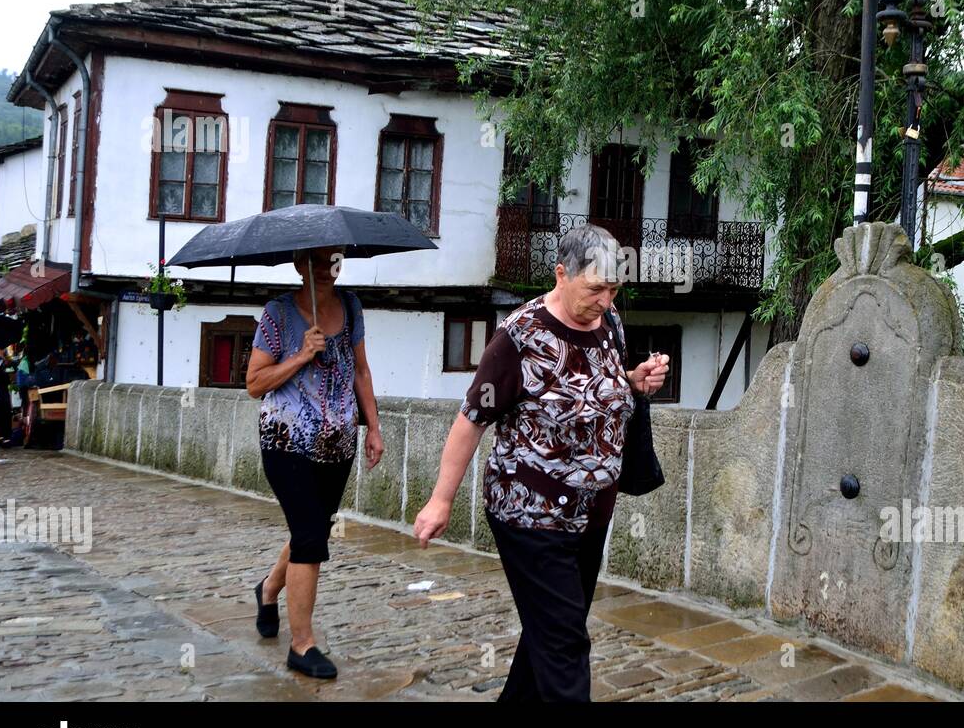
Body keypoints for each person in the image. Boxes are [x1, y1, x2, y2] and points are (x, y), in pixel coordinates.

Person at [414, 224, 670, 701]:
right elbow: (472, 418)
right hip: (530, 516)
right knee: (565, 644)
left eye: (614, 289)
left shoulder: (609, 323)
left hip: (590, 517)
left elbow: (603, 387)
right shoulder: (519, 337)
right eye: (595, 288)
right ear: (561, 274)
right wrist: (440, 500)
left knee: (550, 636)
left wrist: (636, 380)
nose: (606, 300)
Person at [245, 245, 384, 679]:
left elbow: (361, 370)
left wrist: (373, 428)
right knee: (310, 535)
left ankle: (269, 589)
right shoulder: (278, 314)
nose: (327, 269)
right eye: (317, 261)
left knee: (313, 527)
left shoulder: (351, 305)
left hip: (337, 442)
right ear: (299, 265)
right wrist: (301, 355)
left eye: (333, 261)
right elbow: (254, 382)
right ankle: (302, 645)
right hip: (286, 441)